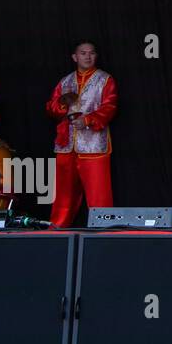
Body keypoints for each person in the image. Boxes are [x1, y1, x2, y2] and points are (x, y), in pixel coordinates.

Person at [45, 40, 118, 227]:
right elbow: (51, 108)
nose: (87, 56)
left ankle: (104, 232)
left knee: (99, 195)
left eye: (91, 53)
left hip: (94, 145)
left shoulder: (105, 79)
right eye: (83, 53)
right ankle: (57, 232)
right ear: (75, 57)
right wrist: (62, 104)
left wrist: (87, 120)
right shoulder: (65, 81)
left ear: (96, 56)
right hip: (65, 145)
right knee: (63, 196)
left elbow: (109, 107)